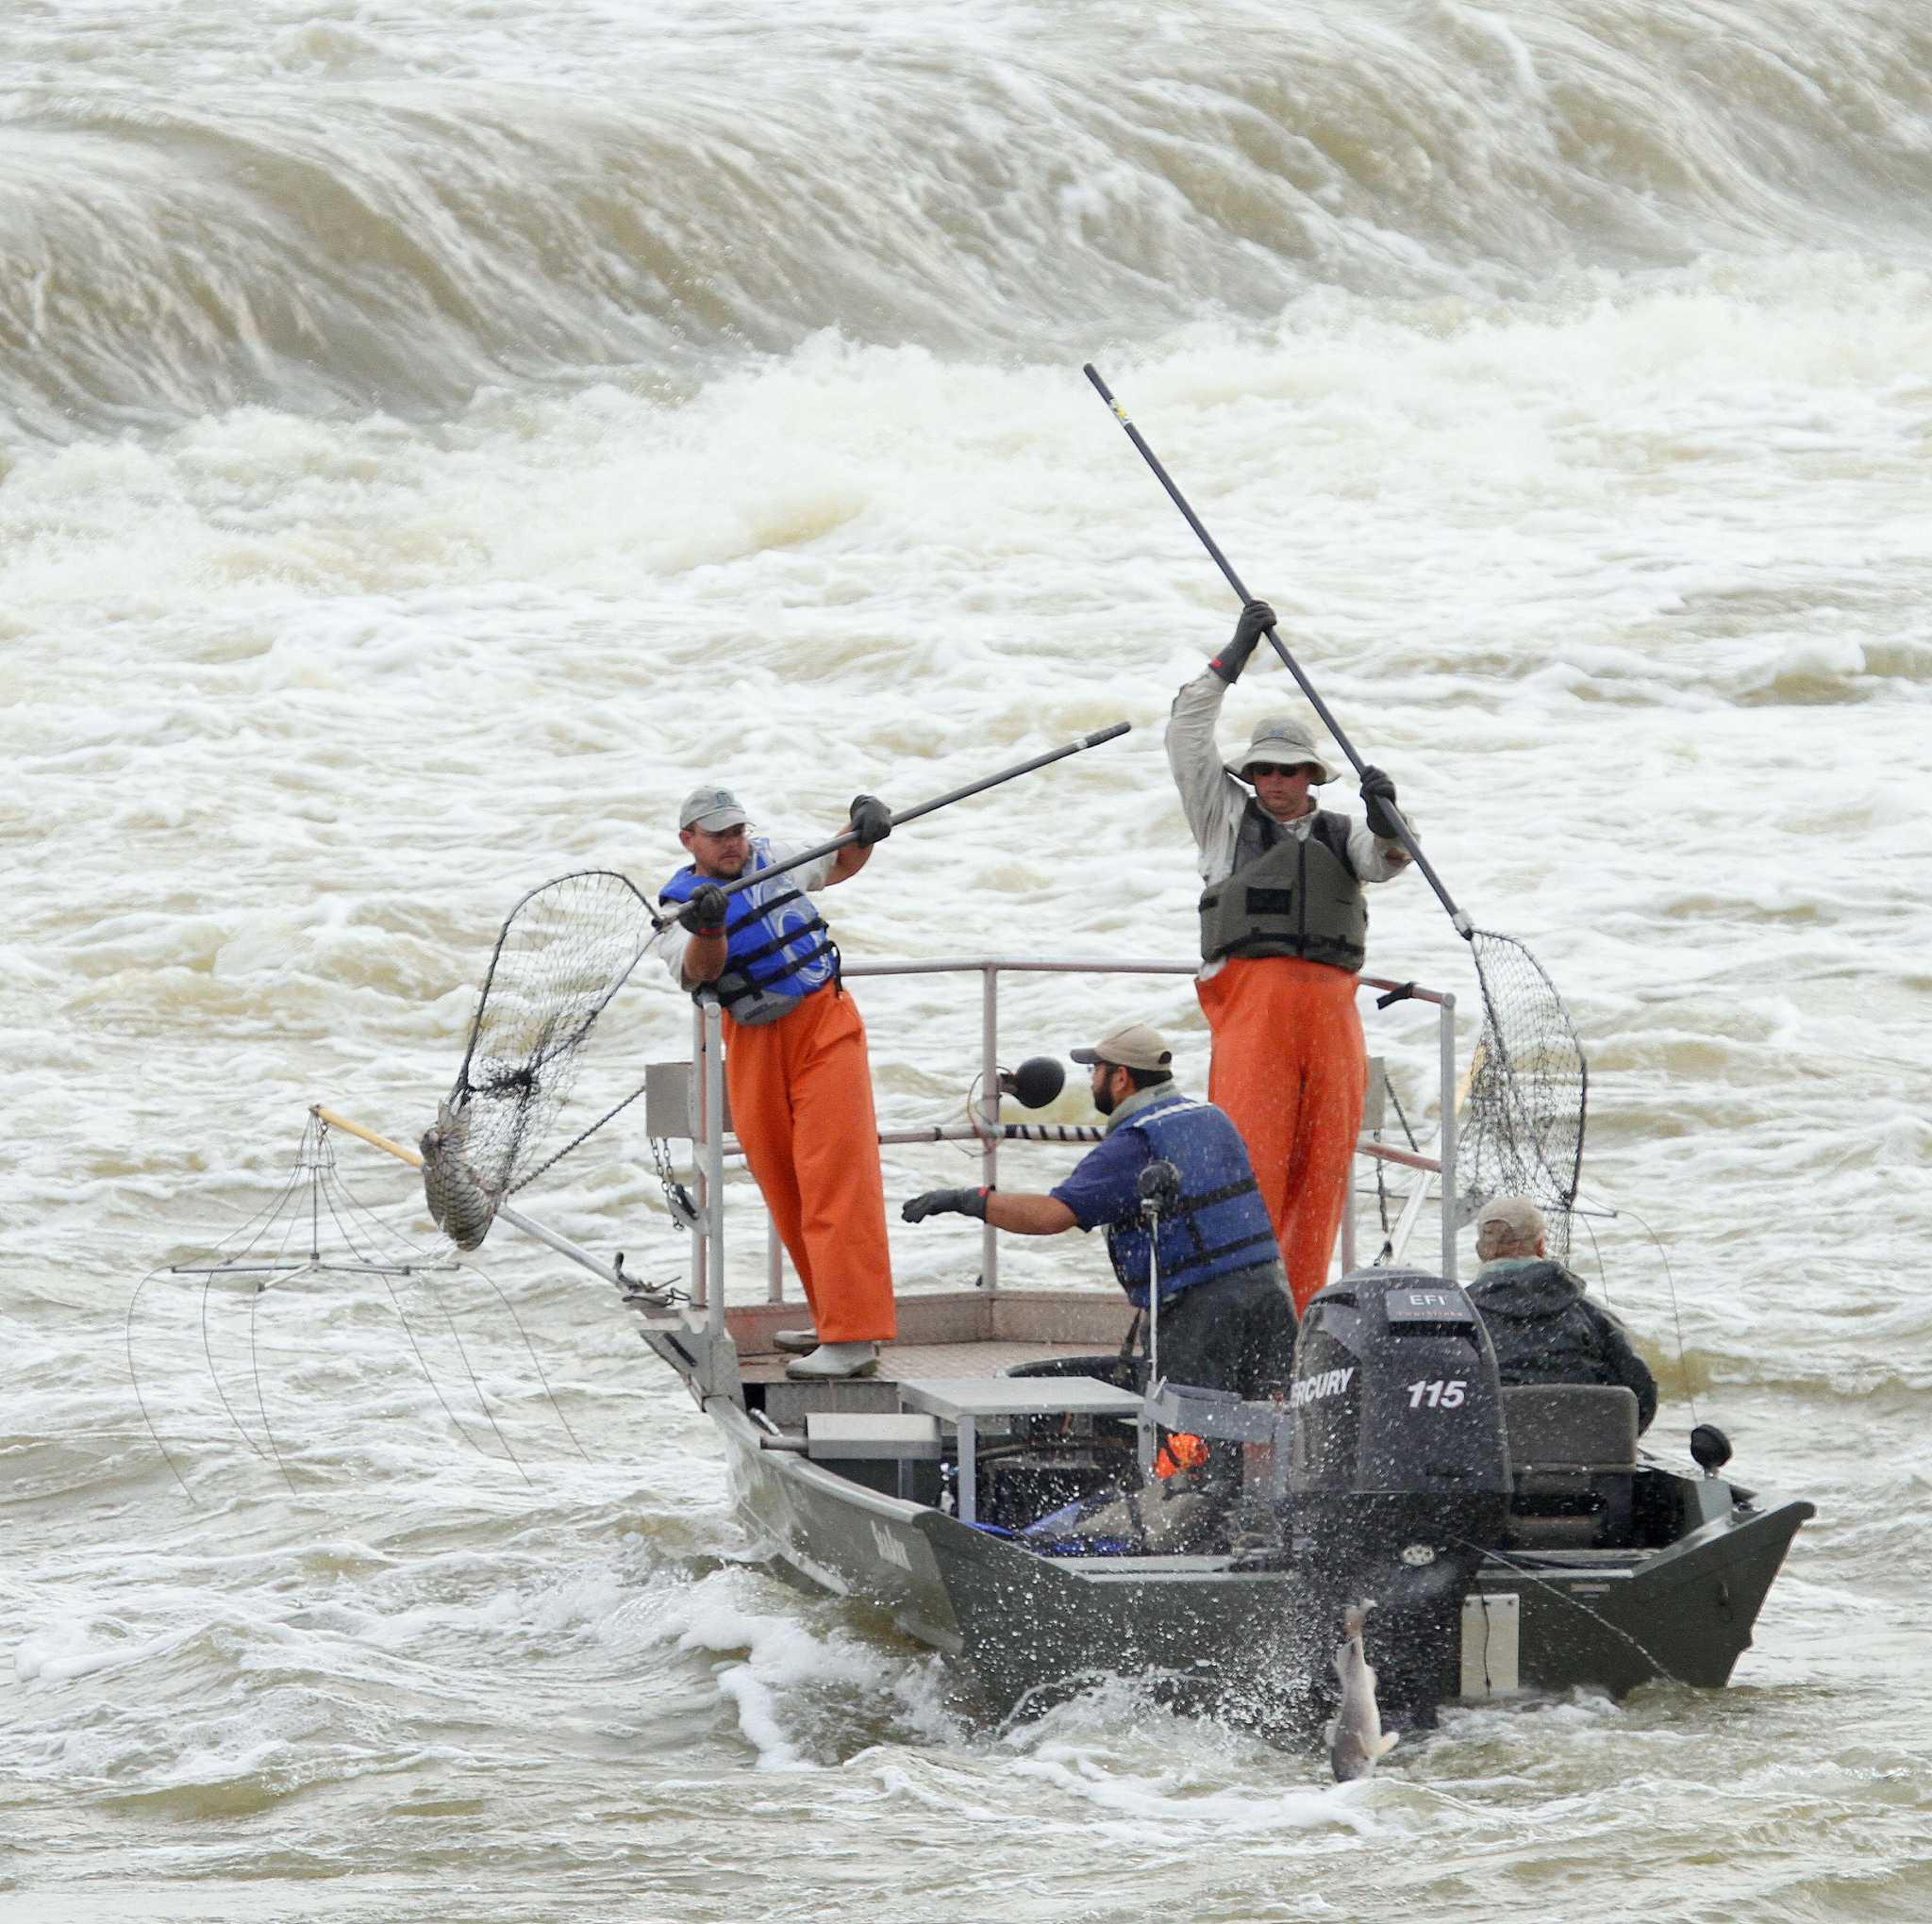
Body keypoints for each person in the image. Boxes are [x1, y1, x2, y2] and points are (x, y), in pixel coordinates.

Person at [1165, 598, 1415, 1314]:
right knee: (1248, 1163)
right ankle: (1241, 1311)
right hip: (1254, 1014)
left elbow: (1390, 858)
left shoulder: (1344, 833)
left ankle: (1299, 1317)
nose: (1274, 782)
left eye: (1288, 771)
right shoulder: (1221, 818)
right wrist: (1233, 655)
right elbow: (1185, 731)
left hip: (1333, 1020)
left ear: (1311, 776)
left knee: (1322, 1171)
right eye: (1264, 770)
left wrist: (1388, 813)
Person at [899, 1019, 1295, 1402]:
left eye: (1096, 1070)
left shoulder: (1135, 1143)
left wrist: (967, 1200)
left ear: (1121, 1078)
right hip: (1270, 1292)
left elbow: (1051, 1216)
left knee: (1186, 1431)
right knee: (1267, 1417)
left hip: (1202, 1312)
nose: (1091, 1080)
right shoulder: (1214, 1119)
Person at [657, 784, 897, 1381]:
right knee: (784, 1181)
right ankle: (832, 1315)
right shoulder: (678, 909)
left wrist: (864, 826)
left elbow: (839, 862)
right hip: (752, 1041)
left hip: (824, 1022)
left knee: (834, 1174)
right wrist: (709, 927)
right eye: (718, 835)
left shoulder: (776, 857)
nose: (733, 844)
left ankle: (853, 1337)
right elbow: (699, 971)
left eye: (737, 831)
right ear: (689, 841)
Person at [1467, 1196, 1658, 1433]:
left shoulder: (1461, 1317)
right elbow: (1641, 1391)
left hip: (1495, 1448)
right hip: (1587, 1446)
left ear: (1481, 1251)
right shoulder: (1590, 1313)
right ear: (1540, 1246)